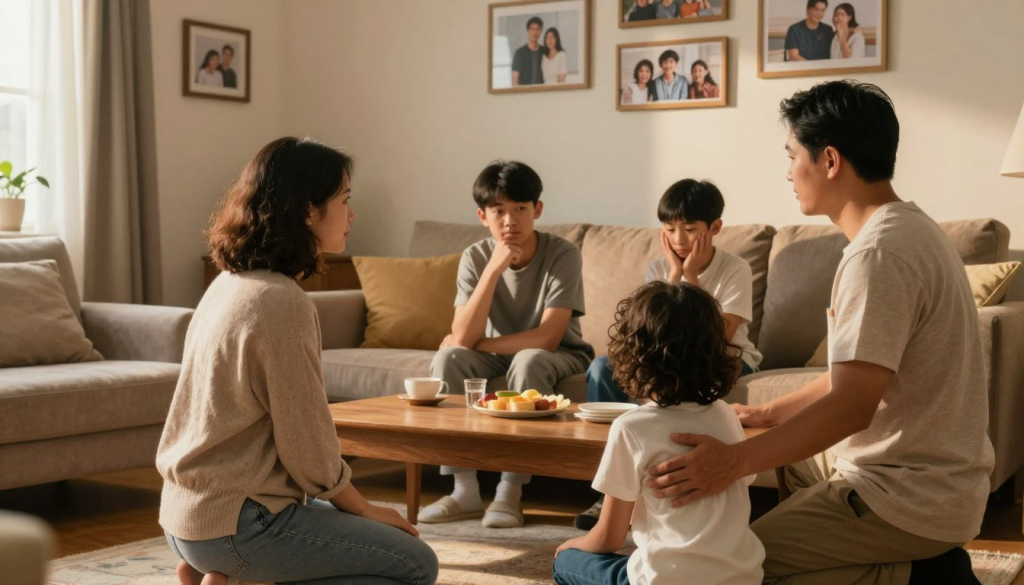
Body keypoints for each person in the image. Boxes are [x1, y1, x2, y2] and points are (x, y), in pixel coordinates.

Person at [647, 81, 993, 584]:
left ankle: (917, 575)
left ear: (829, 161)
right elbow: (848, 377)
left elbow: (852, 408)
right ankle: (908, 561)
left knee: (725, 570)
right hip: (940, 485)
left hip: (907, 498)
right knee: (793, 458)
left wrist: (733, 463)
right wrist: (766, 413)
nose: (787, 171)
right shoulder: (908, 228)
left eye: (792, 155)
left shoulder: (877, 255)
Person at [157, 137, 439, 585]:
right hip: (239, 526)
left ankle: (226, 575)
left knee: (345, 528)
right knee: (414, 562)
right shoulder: (280, 302)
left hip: (184, 518)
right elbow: (307, 441)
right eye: (344, 200)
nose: (352, 214)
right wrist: (364, 507)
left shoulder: (229, 283)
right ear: (309, 211)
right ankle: (244, 577)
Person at [574, 179, 762, 530]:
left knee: (693, 370)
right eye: (670, 228)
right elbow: (646, 332)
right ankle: (612, 490)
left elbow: (717, 335)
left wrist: (690, 277)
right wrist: (673, 275)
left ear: (714, 228)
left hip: (724, 353)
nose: (678, 239)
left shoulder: (734, 268)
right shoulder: (658, 269)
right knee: (602, 368)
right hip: (667, 353)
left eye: (689, 229)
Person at [419, 160, 594, 529]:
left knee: (528, 360)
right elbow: (459, 340)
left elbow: (548, 338)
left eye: (520, 209)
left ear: (537, 210)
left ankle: (509, 491)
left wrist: (479, 344)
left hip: (558, 354)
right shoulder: (475, 256)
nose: (510, 221)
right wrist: (493, 270)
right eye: (499, 211)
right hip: (499, 355)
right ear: (483, 216)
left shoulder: (563, 254)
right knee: (449, 357)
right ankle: (464, 490)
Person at [553, 281, 765, 585]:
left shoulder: (631, 427)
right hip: (743, 577)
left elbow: (609, 538)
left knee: (567, 562)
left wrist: (570, 546)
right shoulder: (725, 415)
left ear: (634, 352)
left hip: (663, 580)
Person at [512, 16, 545, 86]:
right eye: (532, 29)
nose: (535, 32)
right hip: (524, 93)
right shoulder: (520, 53)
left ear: (541, 31)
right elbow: (515, 78)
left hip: (542, 92)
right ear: (527, 31)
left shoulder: (544, 51)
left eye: (537, 29)